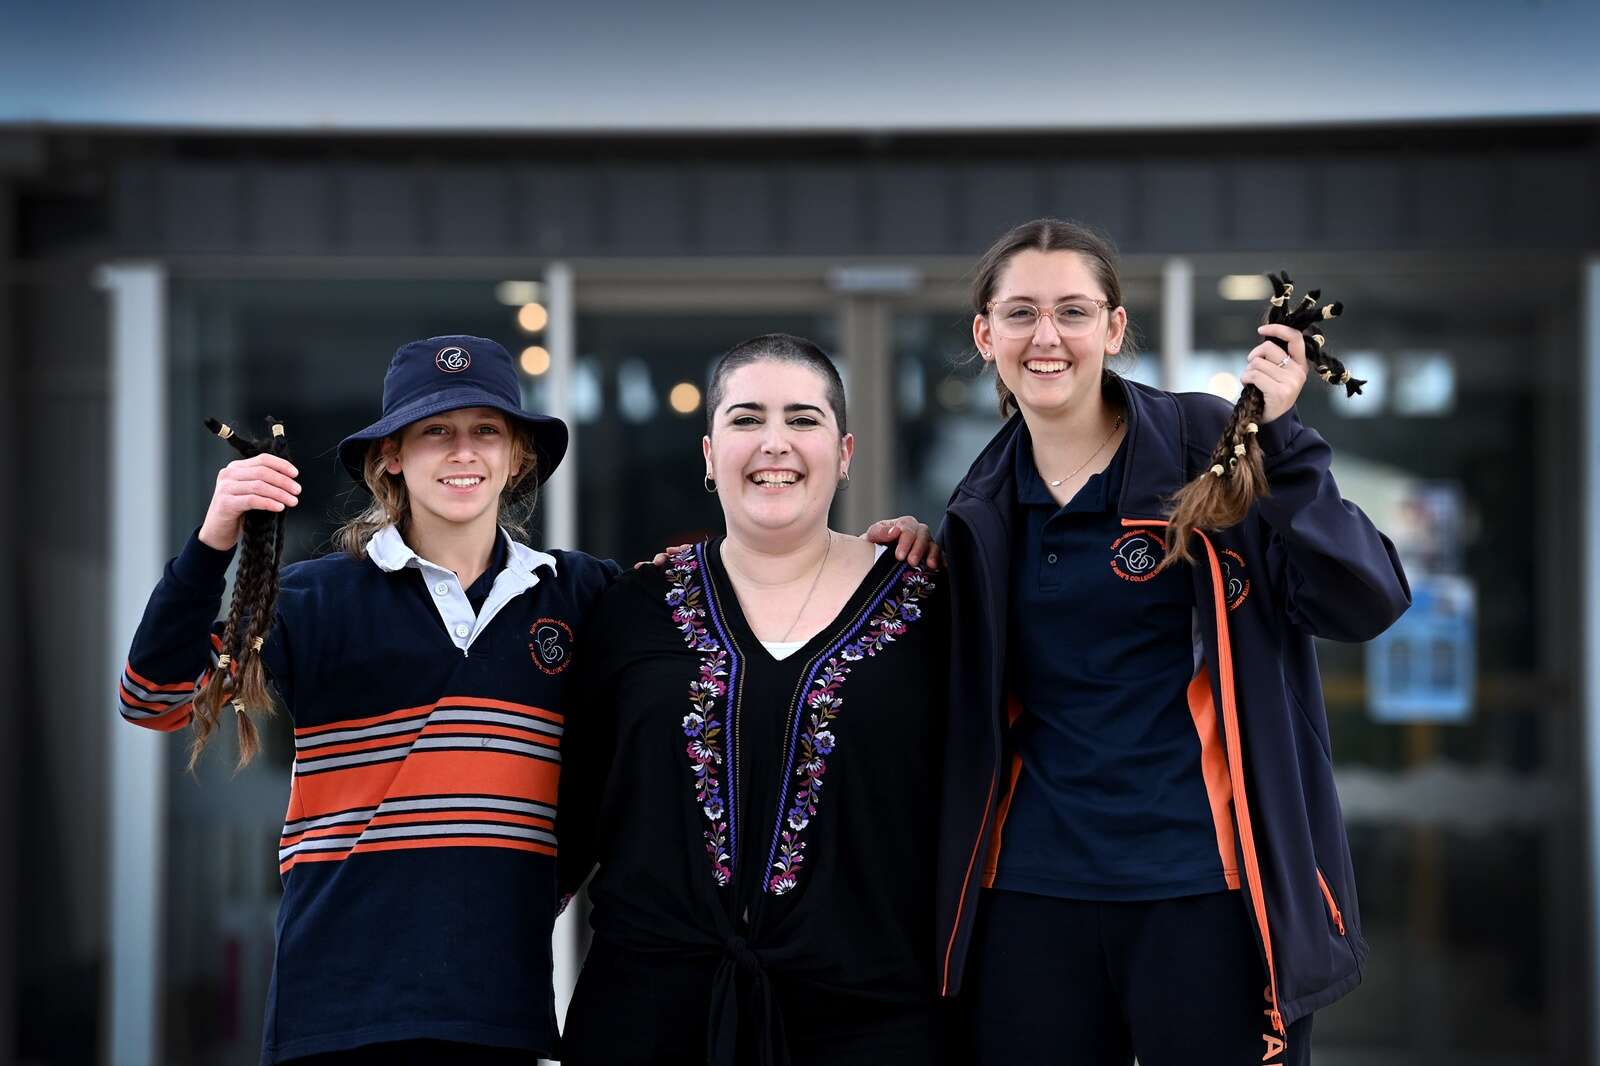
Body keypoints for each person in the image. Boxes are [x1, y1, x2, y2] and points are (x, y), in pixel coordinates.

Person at [115, 334, 933, 1065]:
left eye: (485, 432)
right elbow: (153, 699)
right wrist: (214, 537)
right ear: (391, 456)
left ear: (517, 460)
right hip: (340, 1009)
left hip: (500, 1015)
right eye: (435, 431)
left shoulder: (587, 596)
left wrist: (878, 548)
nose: (461, 452)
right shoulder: (316, 600)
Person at [933, 220, 1411, 1066]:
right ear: (985, 335)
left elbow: (1366, 597)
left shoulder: (1209, 448)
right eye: (1020, 314)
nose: (1047, 337)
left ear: (1114, 329)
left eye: (1073, 312)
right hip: (1031, 898)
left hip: (1207, 891)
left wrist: (1285, 446)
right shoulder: (979, 504)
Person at [559, 334, 950, 1066]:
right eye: (747, 419)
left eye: (803, 419)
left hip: (873, 1023)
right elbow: (567, 815)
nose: (775, 443)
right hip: (650, 1020)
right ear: (710, 455)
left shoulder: (932, 608)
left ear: (845, 452)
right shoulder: (633, 608)